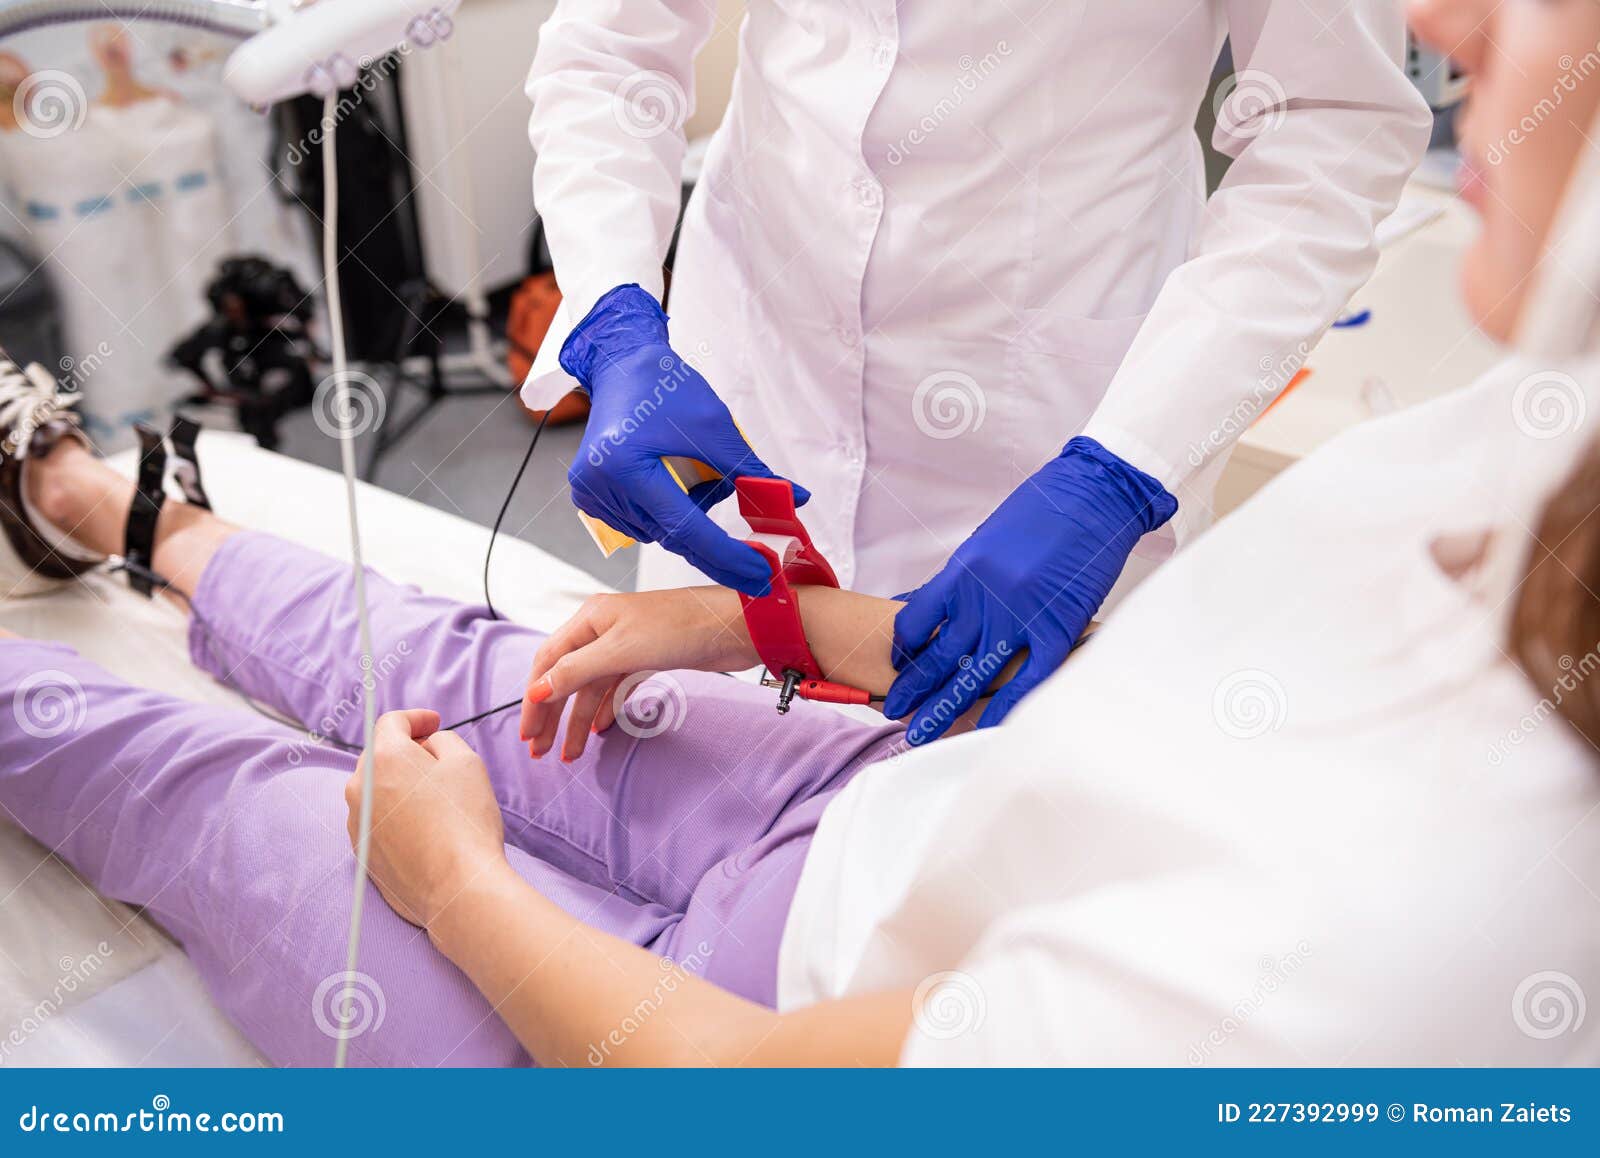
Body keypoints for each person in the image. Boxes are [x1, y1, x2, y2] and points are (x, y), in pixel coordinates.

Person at [0, 0, 1597, 1066]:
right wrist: (633, 341)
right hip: (892, 768)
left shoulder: (1410, 939)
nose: (1455, 15)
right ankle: (100, 499)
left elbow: (742, 1091)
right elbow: (614, 39)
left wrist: (452, 881)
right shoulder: (1494, 469)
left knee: (238, 799)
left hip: (728, 985)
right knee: (473, 659)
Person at [520, 1, 1433, 741]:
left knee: (988, 870)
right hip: (755, 365)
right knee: (709, 794)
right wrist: (613, 316)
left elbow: (1333, 125)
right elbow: (609, 46)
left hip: (1054, 432)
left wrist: (1123, 471)